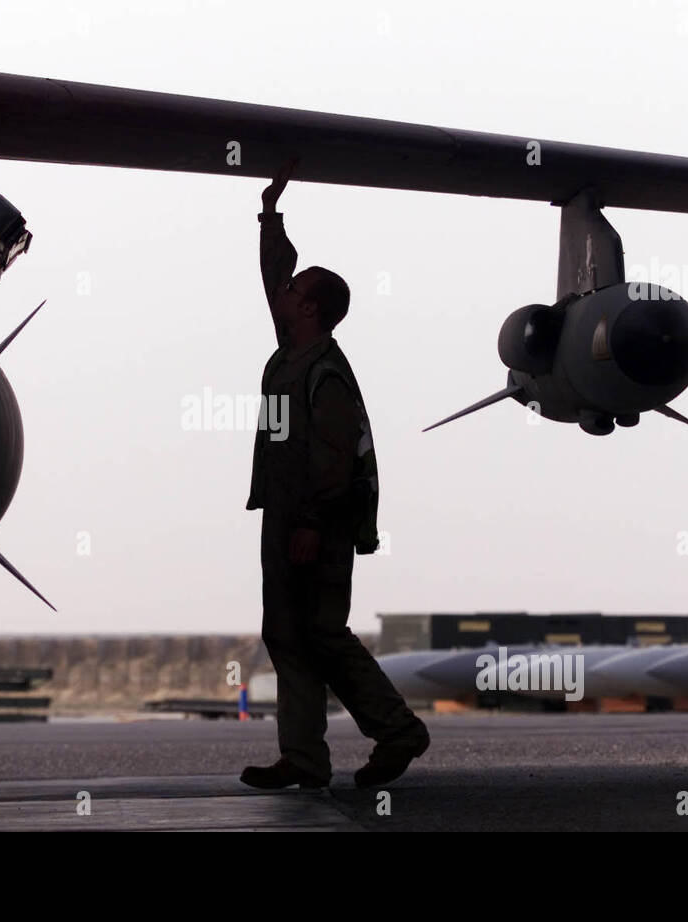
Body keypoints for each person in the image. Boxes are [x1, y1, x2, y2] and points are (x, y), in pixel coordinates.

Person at [240, 159, 430, 791]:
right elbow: (272, 275)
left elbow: (336, 453)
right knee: (288, 636)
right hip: (285, 513)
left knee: (319, 632)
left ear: (313, 308)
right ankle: (303, 759)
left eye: (297, 292)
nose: (285, 293)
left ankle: (397, 731)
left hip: (315, 521)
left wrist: (314, 524)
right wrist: (270, 215)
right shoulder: (293, 351)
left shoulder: (325, 372)